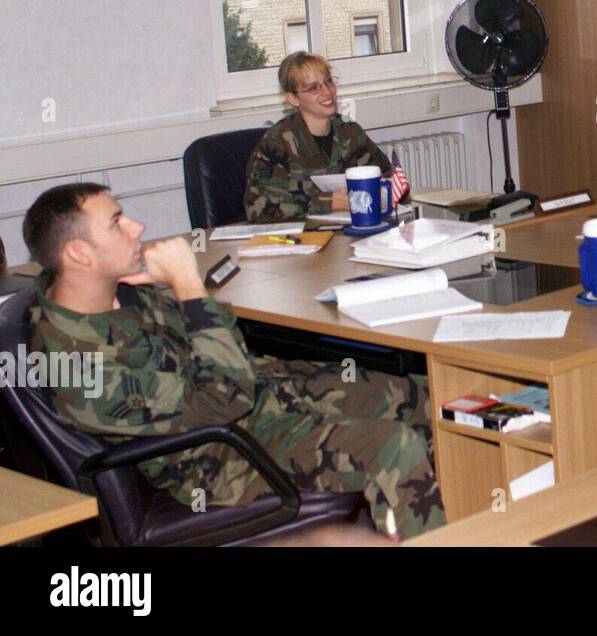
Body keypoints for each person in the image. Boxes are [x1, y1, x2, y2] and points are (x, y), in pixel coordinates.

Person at [22, 182, 444, 540]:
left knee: (432, 399)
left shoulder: (110, 292)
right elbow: (228, 399)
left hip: (267, 394)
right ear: (79, 254)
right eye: (117, 222)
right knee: (395, 446)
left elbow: (226, 342)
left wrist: (186, 295)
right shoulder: (82, 372)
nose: (138, 227)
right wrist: (187, 283)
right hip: (222, 453)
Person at [244, 52, 393, 223]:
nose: (327, 92)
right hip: (303, 239)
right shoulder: (277, 142)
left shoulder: (349, 130)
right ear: (293, 98)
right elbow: (257, 207)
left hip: (352, 230)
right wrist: (328, 202)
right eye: (314, 88)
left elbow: (389, 178)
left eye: (328, 81)